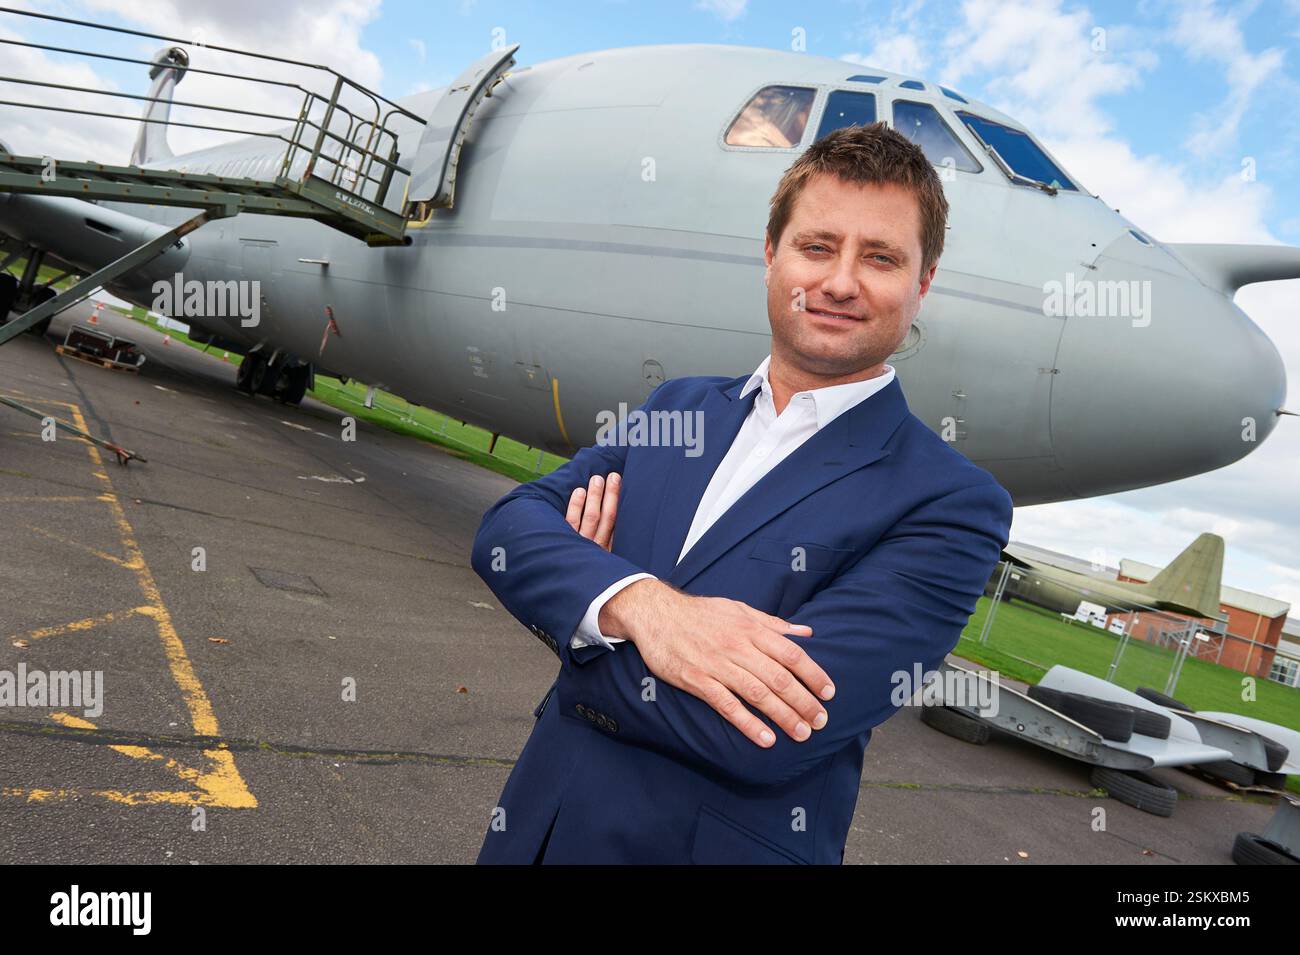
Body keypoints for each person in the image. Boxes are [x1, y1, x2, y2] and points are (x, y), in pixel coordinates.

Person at [471, 121, 1013, 864]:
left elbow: (762, 732)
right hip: (538, 831)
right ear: (771, 254)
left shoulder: (950, 503)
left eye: (881, 257)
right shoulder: (679, 408)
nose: (841, 282)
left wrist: (580, 623)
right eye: (817, 246)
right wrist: (643, 606)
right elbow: (507, 534)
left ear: (922, 283)